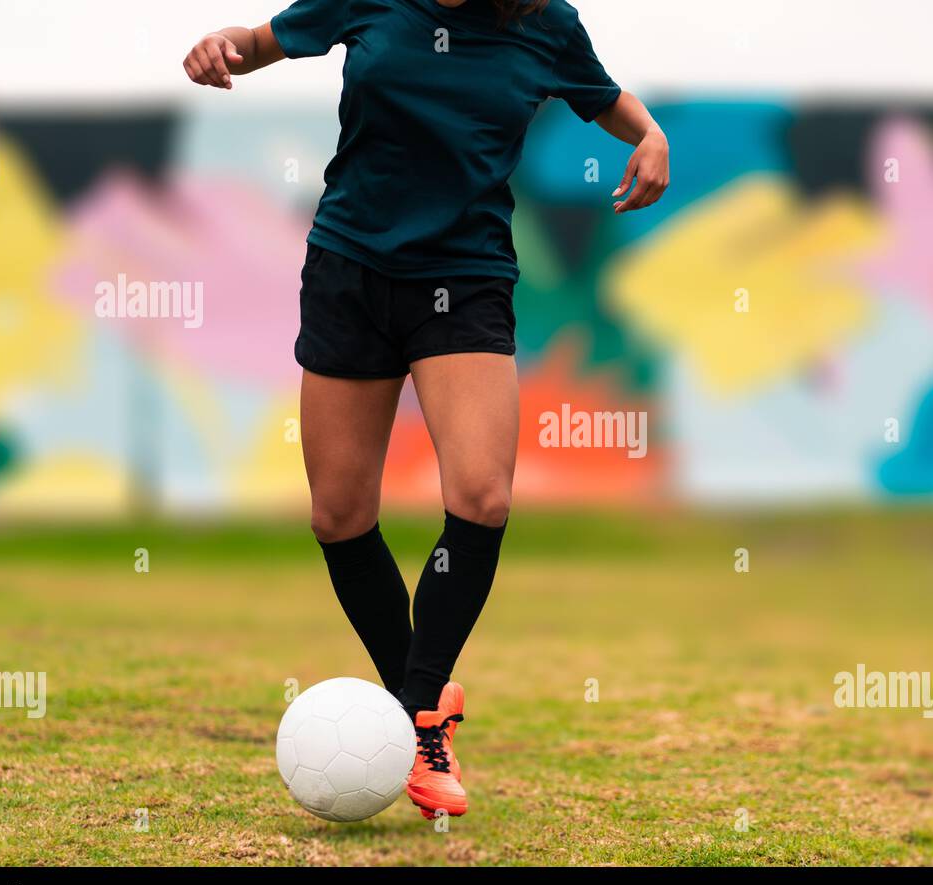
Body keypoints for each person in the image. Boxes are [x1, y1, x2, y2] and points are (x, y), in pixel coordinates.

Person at [182, 0, 669, 819]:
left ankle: (417, 720)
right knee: (339, 515)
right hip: (350, 270)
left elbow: (606, 97)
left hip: (466, 279)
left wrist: (650, 135)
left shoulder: (545, 24)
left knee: (482, 497)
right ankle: (418, 705)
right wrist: (217, 48)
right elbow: (261, 44)